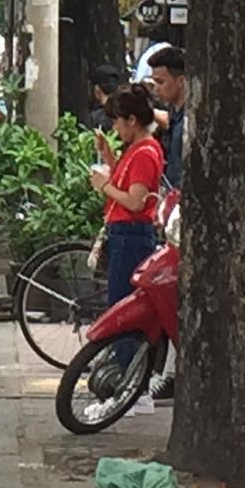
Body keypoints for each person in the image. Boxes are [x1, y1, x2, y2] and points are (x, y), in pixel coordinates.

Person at [88, 83, 166, 336]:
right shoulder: (137, 149)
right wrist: (108, 155)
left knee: (122, 307)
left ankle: (124, 365)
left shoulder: (145, 152)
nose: (115, 128)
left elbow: (135, 201)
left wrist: (104, 187)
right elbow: (126, 181)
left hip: (131, 234)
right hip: (124, 232)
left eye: (117, 121)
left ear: (132, 120)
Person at [144, 44, 189, 190]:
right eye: (154, 82)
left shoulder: (188, 123)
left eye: (160, 82)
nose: (156, 88)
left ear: (180, 81)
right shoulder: (173, 115)